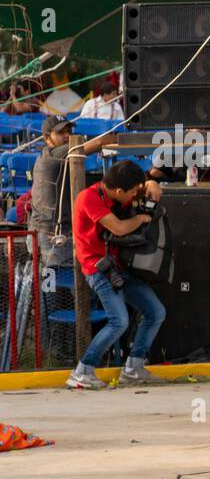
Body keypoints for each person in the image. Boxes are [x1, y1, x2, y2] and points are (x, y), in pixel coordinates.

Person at [65, 161, 167, 390]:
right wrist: (141, 219)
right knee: (118, 321)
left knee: (155, 312)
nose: (135, 195)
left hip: (121, 266)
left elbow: (147, 187)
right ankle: (82, 372)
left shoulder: (120, 191)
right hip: (98, 268)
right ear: (120, 191)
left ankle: (133, 368)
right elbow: (119, 228)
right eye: (133, 192)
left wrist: (151, 182)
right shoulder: (88, 198)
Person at [29, 116, 114, 270]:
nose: (67, 135)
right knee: (59, 285)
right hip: (51, 234)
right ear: (47, 138)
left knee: (58, 285)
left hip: (49, 232)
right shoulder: (54, 154)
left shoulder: (52, 155)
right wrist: (122, 139)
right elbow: (99, 142)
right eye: (60, 132)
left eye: (68, 131)